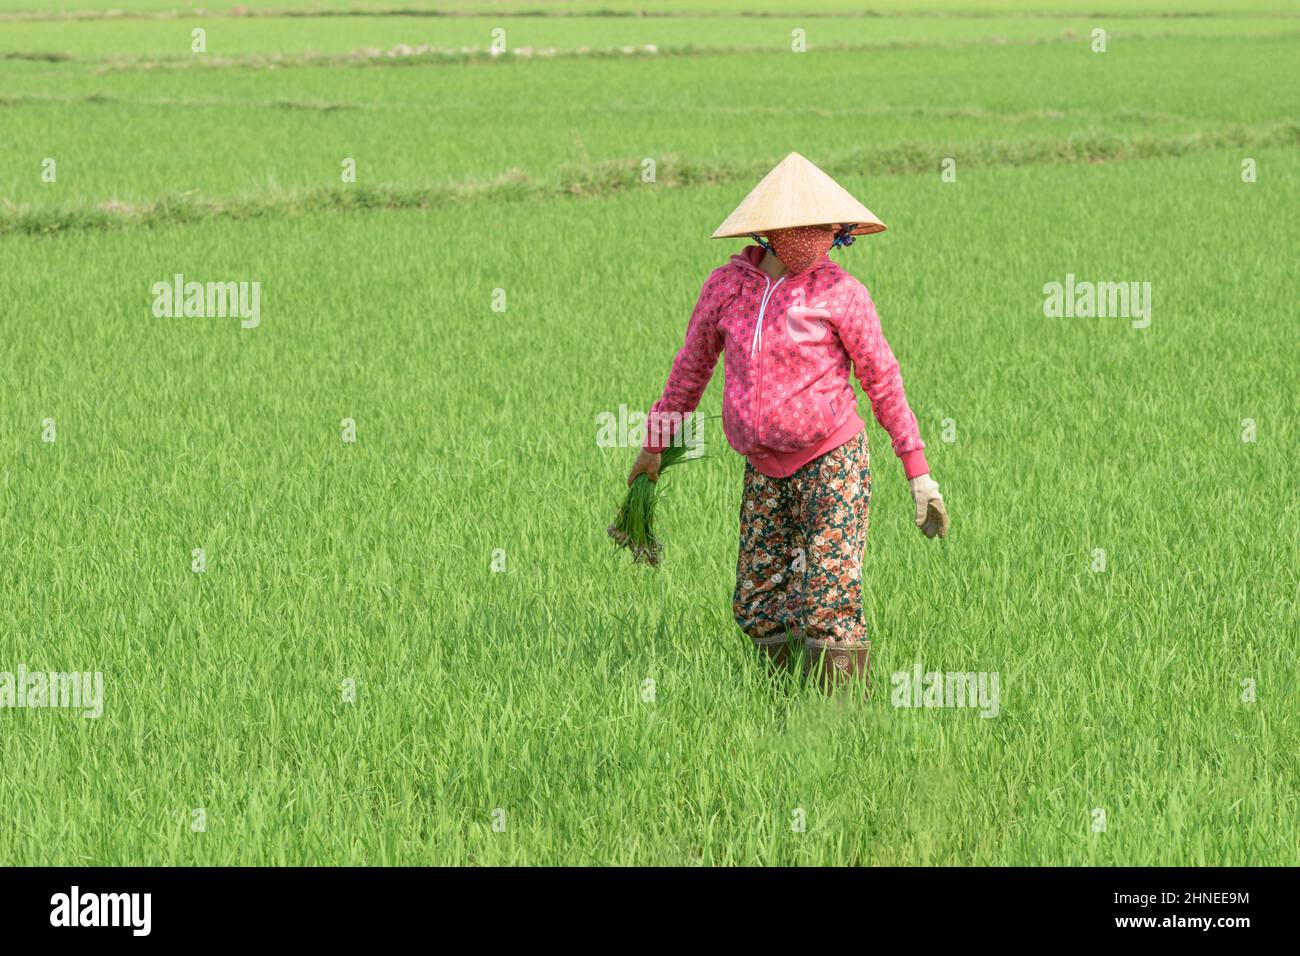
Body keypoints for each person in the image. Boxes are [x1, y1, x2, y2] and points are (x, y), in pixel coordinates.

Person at [628, 152, 948, 693]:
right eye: (800, 227)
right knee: (757, 602)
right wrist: (654, 447)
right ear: (772, 230)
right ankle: (781, 708)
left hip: (834, 462)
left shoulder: (841, 294)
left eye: (822, 228)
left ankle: (837, 730)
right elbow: (690, 370)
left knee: (827, 598)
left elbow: (883, 381)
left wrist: (919, 473)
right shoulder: (727, 289)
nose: (812, 237)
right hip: (762, 470)